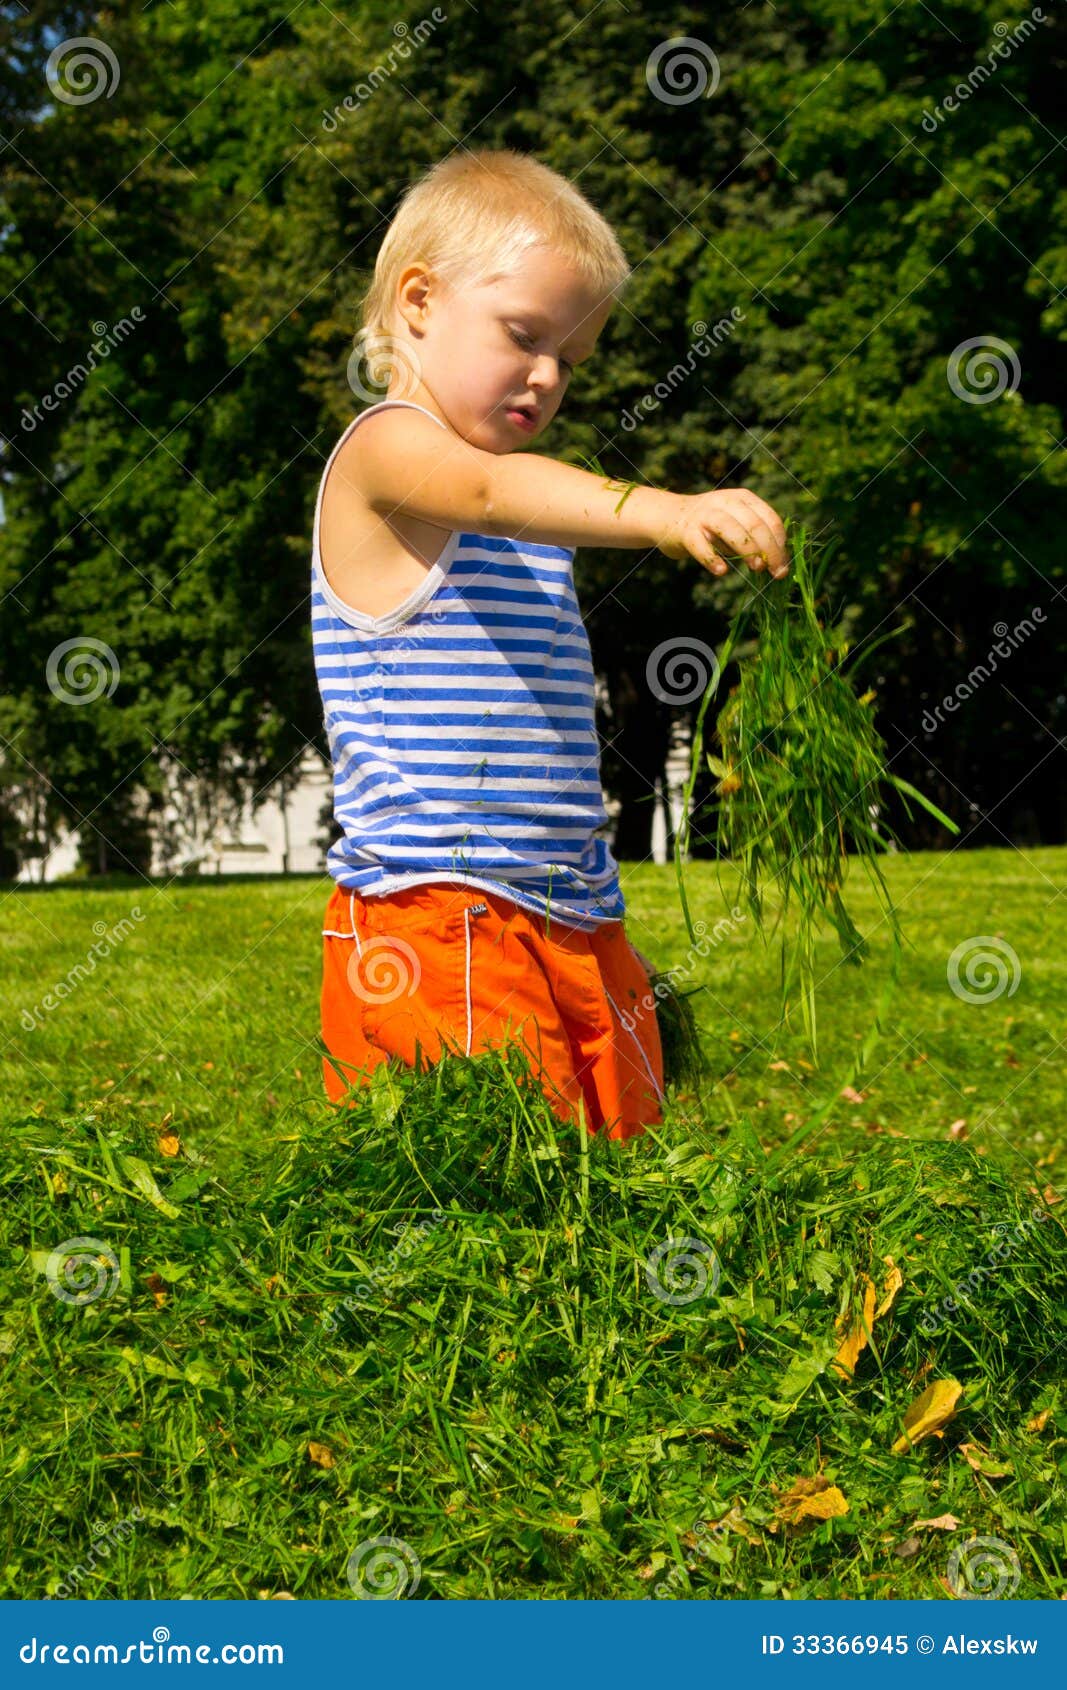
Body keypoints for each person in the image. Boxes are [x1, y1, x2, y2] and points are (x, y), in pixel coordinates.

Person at [313, 148, 788, 1144]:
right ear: (416, 303)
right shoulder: (383, 452)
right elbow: (485, 491)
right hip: (438, 916)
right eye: (524, 337)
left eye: (569, 360)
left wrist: (590, 922)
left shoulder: (522, 524)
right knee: (486, 1176)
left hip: (567, 909)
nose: (545, 376)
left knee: (613, 1158)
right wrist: (662, 508)